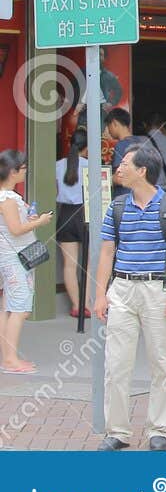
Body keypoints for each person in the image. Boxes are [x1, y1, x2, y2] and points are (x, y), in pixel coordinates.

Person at [92, 140, 166, 450]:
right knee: (116, 364)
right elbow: (106, 252)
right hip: (121, 288)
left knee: (161, 362)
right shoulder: (117, 206)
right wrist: (100, 294)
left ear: (142, 171)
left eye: (125, 164)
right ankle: (117, 432)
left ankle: (157, 429)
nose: (118, 168)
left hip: (157, 289)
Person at [0, 150, 49, 374]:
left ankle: (9, 357)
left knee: (9, 309)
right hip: (14, 259)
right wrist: (39, 222)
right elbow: (16, 230)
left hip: (10, 257)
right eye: (23, 167)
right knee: (19, 308)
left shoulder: (8, 196)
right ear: (13, 172)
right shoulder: (8, 199)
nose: (25, 170)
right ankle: (10, 360)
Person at [55, 133, 89, 317]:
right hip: (85, 213)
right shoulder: (90, 166)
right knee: (91, 263)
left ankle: (77, 306)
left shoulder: (58, 165)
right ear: (87, 148)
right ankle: (88, 304)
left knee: (70, 264)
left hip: (66, 214)